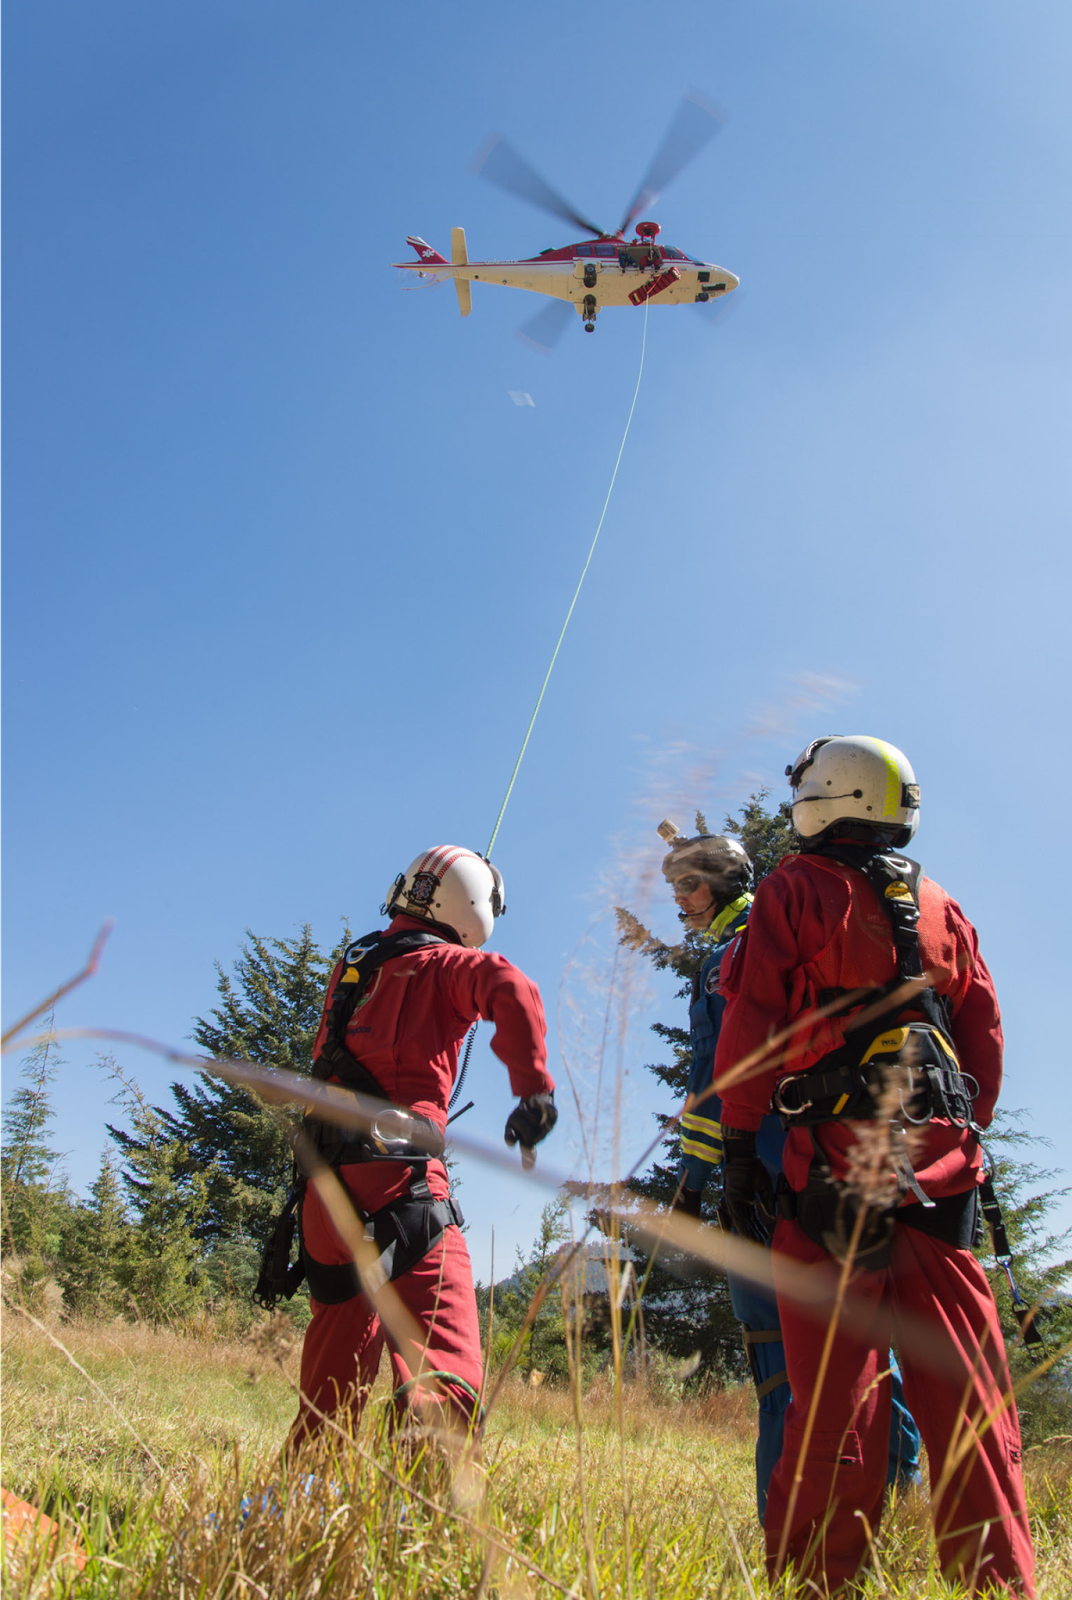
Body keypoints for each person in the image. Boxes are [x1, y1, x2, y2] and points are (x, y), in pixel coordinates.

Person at [715, 737, 1035, 1597]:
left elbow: (752, 1028)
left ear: (822, 795)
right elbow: (986, 1046)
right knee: (971, 1410)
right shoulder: (941, 904)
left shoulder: (791, 890)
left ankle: (819, 1584)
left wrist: (742, 1152)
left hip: (830, 1179)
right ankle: (999, 1584)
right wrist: (953, 1143)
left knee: (837, 1409)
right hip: (945, 1182)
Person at [661, 826, 920, 1522]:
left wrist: (691, 1187)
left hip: (770, 1171)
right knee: (870, 1343)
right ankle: (895, 1516)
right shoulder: (829, 924)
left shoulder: (726, 958)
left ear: (719, 884)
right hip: (863, 1158)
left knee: (779, 1359)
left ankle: (790, 1530)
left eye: (686, 885)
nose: (678, 901)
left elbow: (715, 1082)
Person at [289, 845, 557, 1452]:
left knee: (331, 1388)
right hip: (397, 1183)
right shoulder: (443, 965)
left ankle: (296, 1516)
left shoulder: (353, 967)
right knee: (447, 1370)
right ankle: (421, 1524)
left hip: (323, 1193)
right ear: (475, 911)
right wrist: (532, 1089)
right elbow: (509, 985)